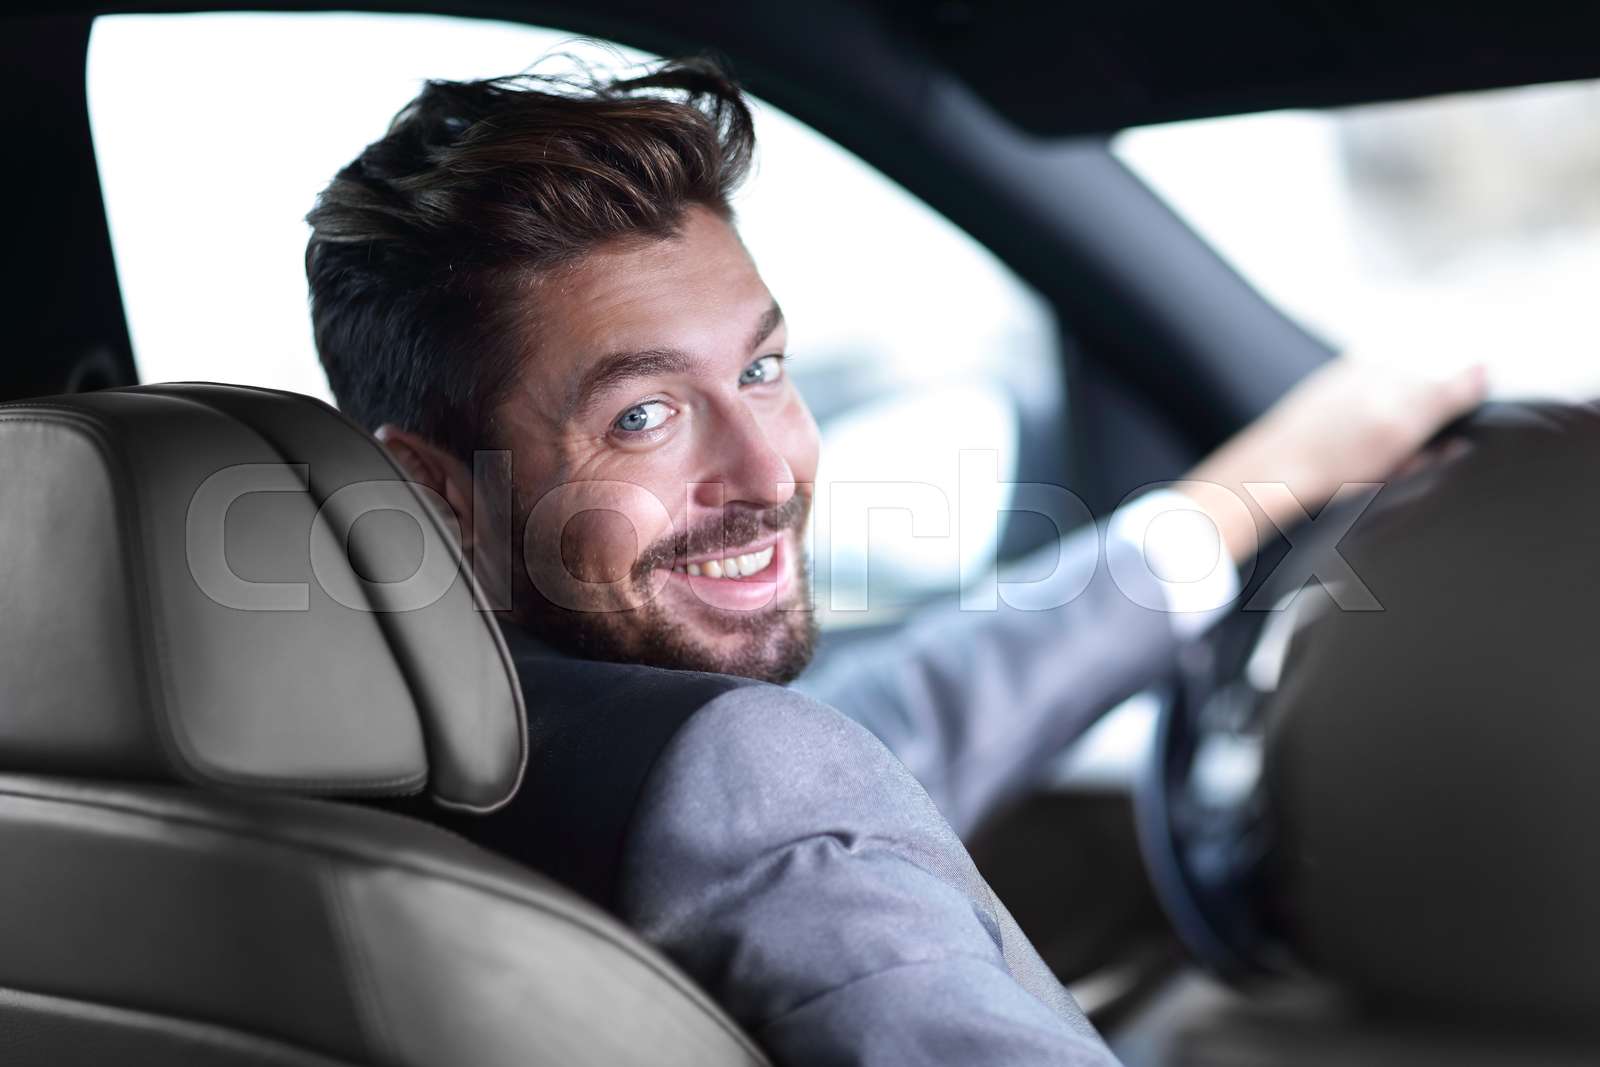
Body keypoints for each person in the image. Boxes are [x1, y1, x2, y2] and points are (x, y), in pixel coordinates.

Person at [304, 59, 1484, 1066]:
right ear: (435, 488)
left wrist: (1243, 494)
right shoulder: (739, 789)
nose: (768, 475)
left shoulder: (349, 757)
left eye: (762, 372)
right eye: (644, 417)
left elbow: (851, 749)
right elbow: (773, 797)